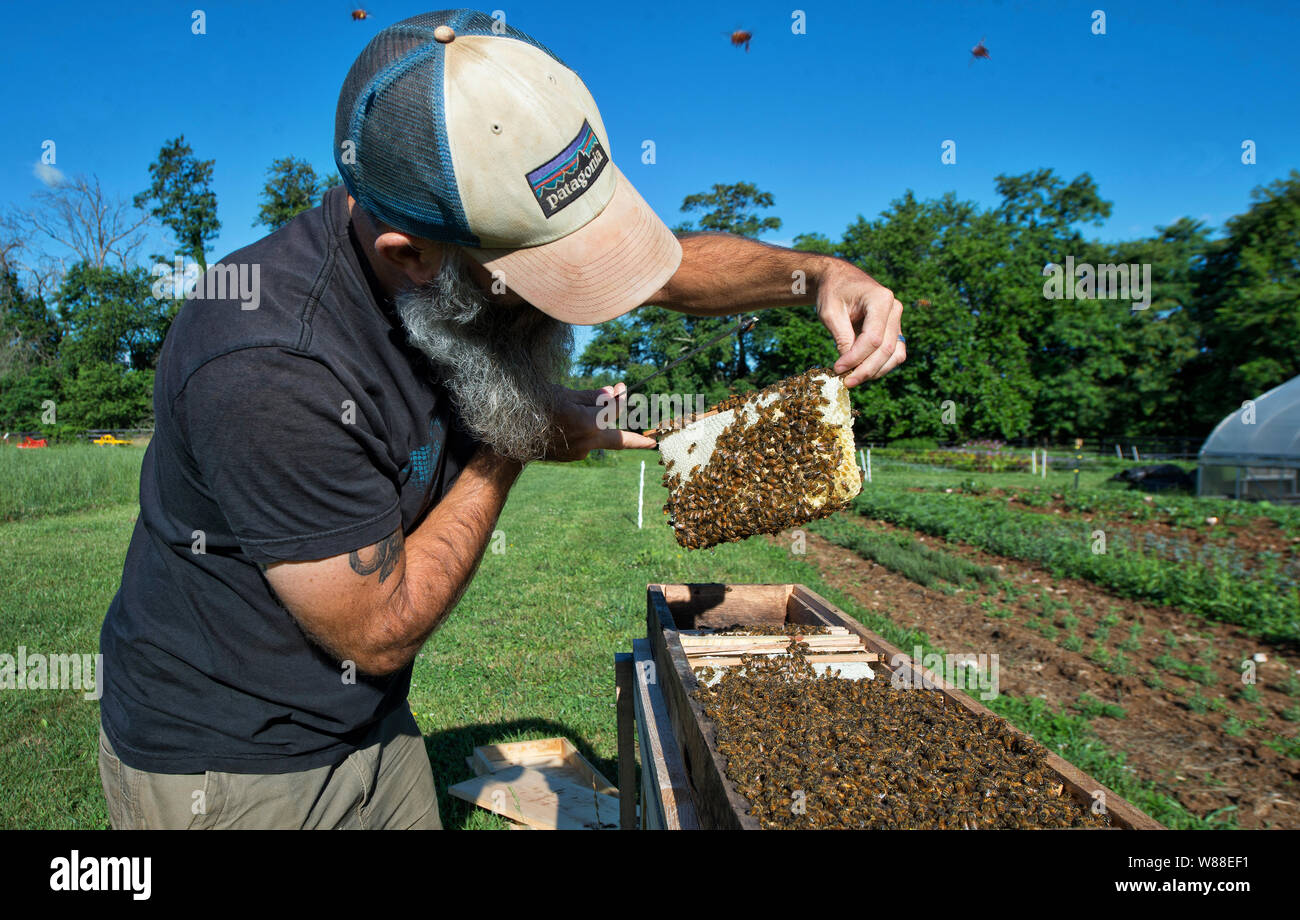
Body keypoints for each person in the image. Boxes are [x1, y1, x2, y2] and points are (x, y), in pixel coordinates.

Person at [97, 9, 906, 829]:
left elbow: (655, 265)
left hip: (375, 723)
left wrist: (816, 275)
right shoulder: (269, 365)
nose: (575, 303)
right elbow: (377, 629)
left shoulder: (455, 249)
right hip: (236, 767)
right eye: (538, 275)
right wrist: (515, 441)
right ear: (407, 254)